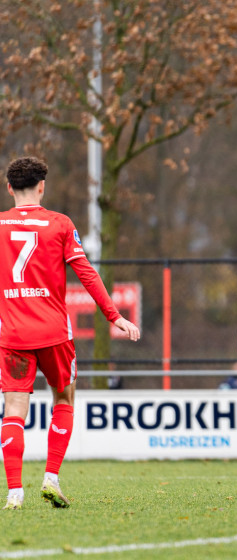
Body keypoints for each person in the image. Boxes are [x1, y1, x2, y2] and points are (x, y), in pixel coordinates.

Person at [0, 157, 141, 510]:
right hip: (54, 334)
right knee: (63, 401)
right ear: (42, 187)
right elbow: (87, 273)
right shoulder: (59, 224)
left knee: (14, 410)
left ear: (8, 188)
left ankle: (14, 492)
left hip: (13, 335)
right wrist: (114, 315)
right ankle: (51, 478)